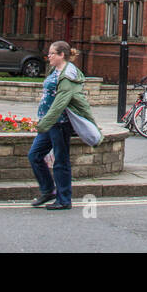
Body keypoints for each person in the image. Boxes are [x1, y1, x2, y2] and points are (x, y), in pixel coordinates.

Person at [30, 41, 94, 211]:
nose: (48, 56)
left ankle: (64, 198)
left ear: (61, 55)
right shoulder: (54, 70)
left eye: (52, 53)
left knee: (61, 160)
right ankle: (48, 190)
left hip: (59, 123)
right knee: (34, 155)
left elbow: (60, 103)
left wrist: (44, 122)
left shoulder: (67, 75)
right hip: (49, 122)